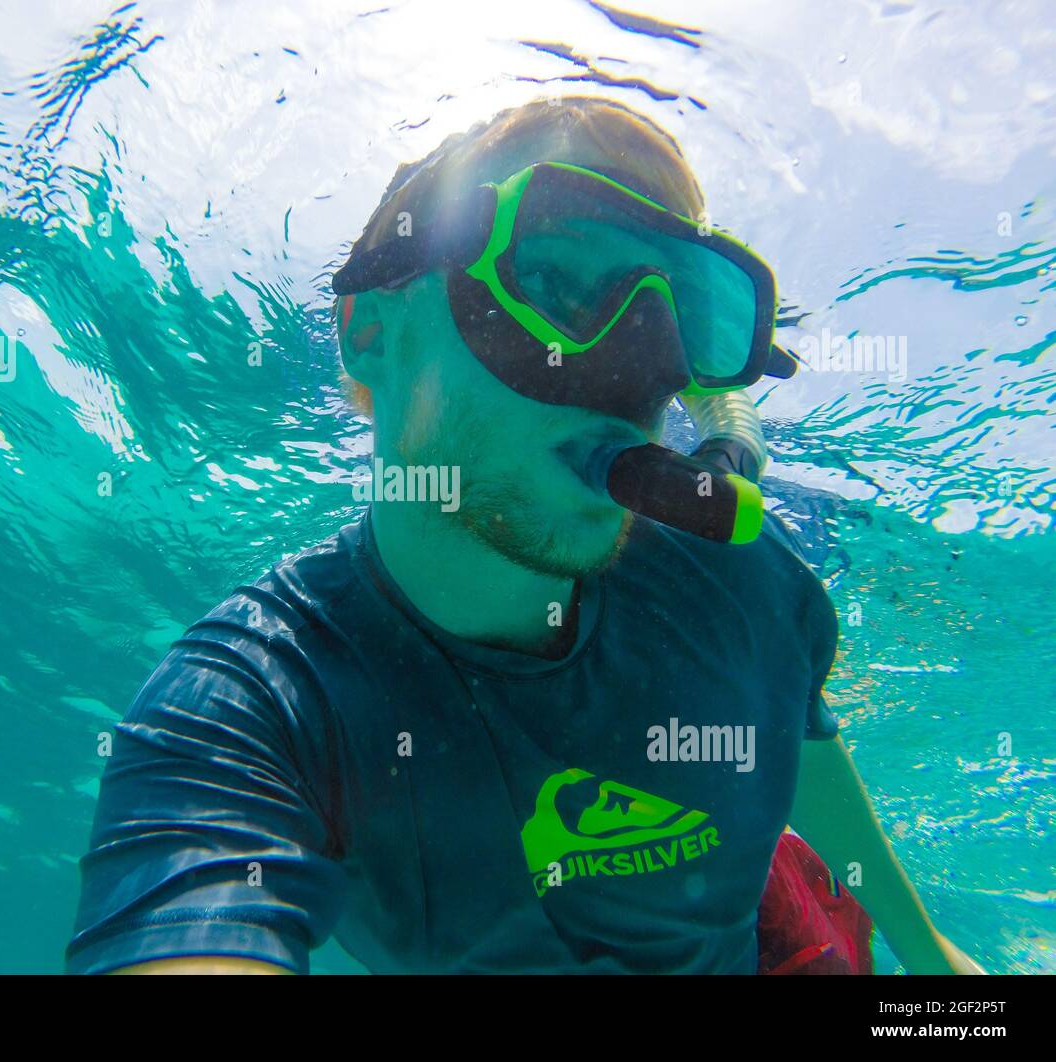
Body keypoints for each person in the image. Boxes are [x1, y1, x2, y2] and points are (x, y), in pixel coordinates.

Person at [65, 96, 984, 975]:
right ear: (372, 334)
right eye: (549, 279)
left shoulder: (739, 579)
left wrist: (927, 949)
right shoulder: (255, 704)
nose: (642, 373)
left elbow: (794, 737)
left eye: (677, 315)